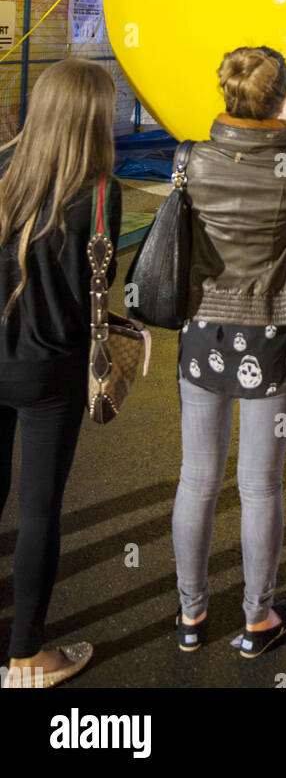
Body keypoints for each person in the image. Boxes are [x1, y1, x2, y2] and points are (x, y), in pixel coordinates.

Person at [172, 46, 286, 659]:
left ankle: (190, 615)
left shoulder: (190, 160)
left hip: (203, 332)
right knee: (260, 487)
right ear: (281, 97)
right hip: (270, 330)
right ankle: (256, 620)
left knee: (197, 479)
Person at [0, 59, 121, 688]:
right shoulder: (97, 191)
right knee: (39, 511)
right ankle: (26, 655)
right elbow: (92, 290)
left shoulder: (3, 171)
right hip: (51, 371)